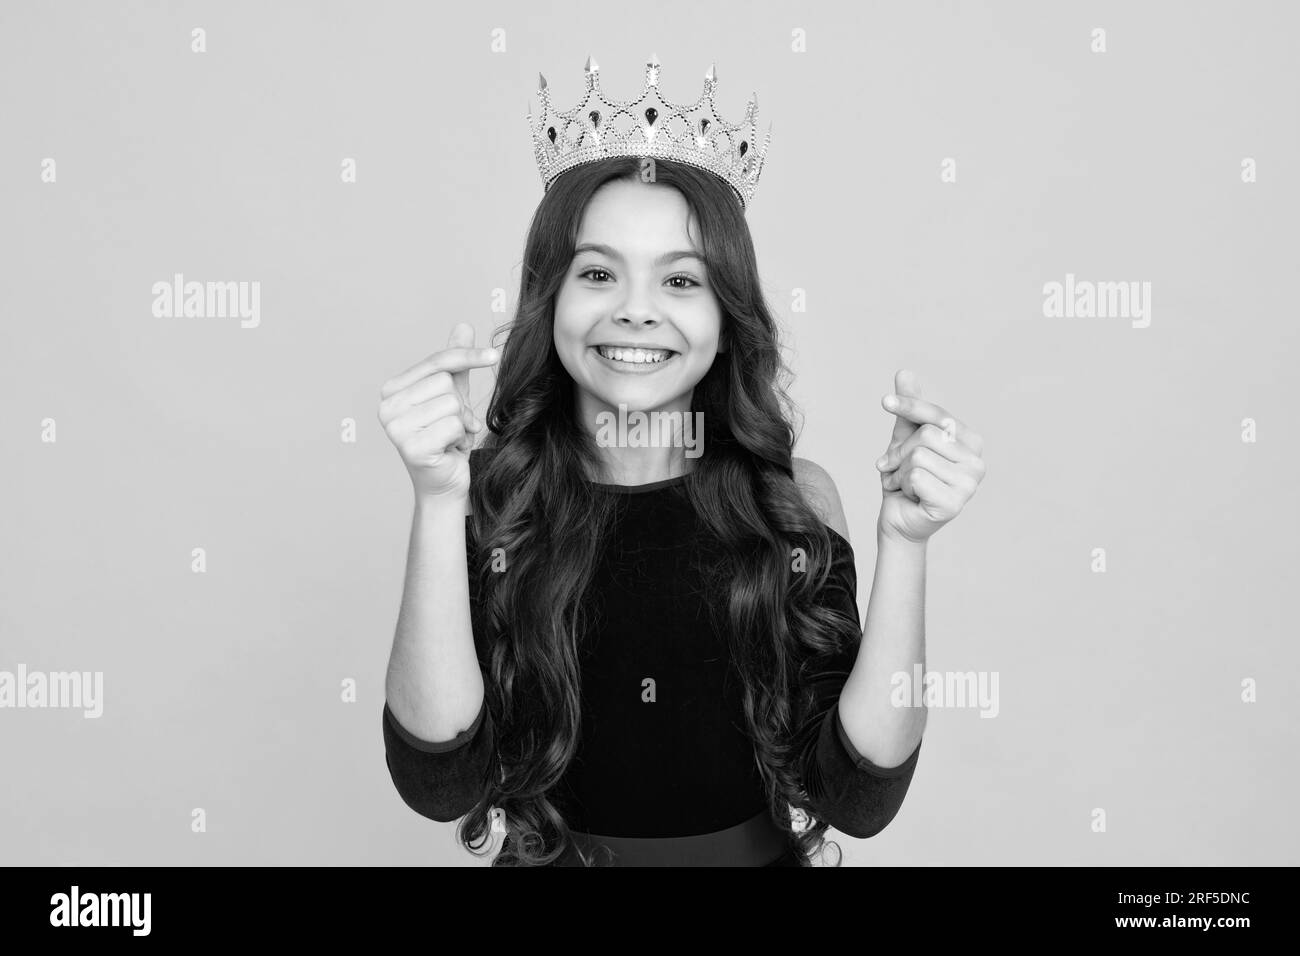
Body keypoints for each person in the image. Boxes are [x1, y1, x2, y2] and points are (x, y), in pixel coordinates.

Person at [376, 58, 986, 866]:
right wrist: (433, 499)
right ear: (548, 299)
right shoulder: (493, 501)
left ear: (727, 318)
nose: (636, 308)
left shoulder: (791, 505)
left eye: (681, 279)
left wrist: (906, 544)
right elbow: (439, 784)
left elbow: (859, 797)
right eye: (597, 272)